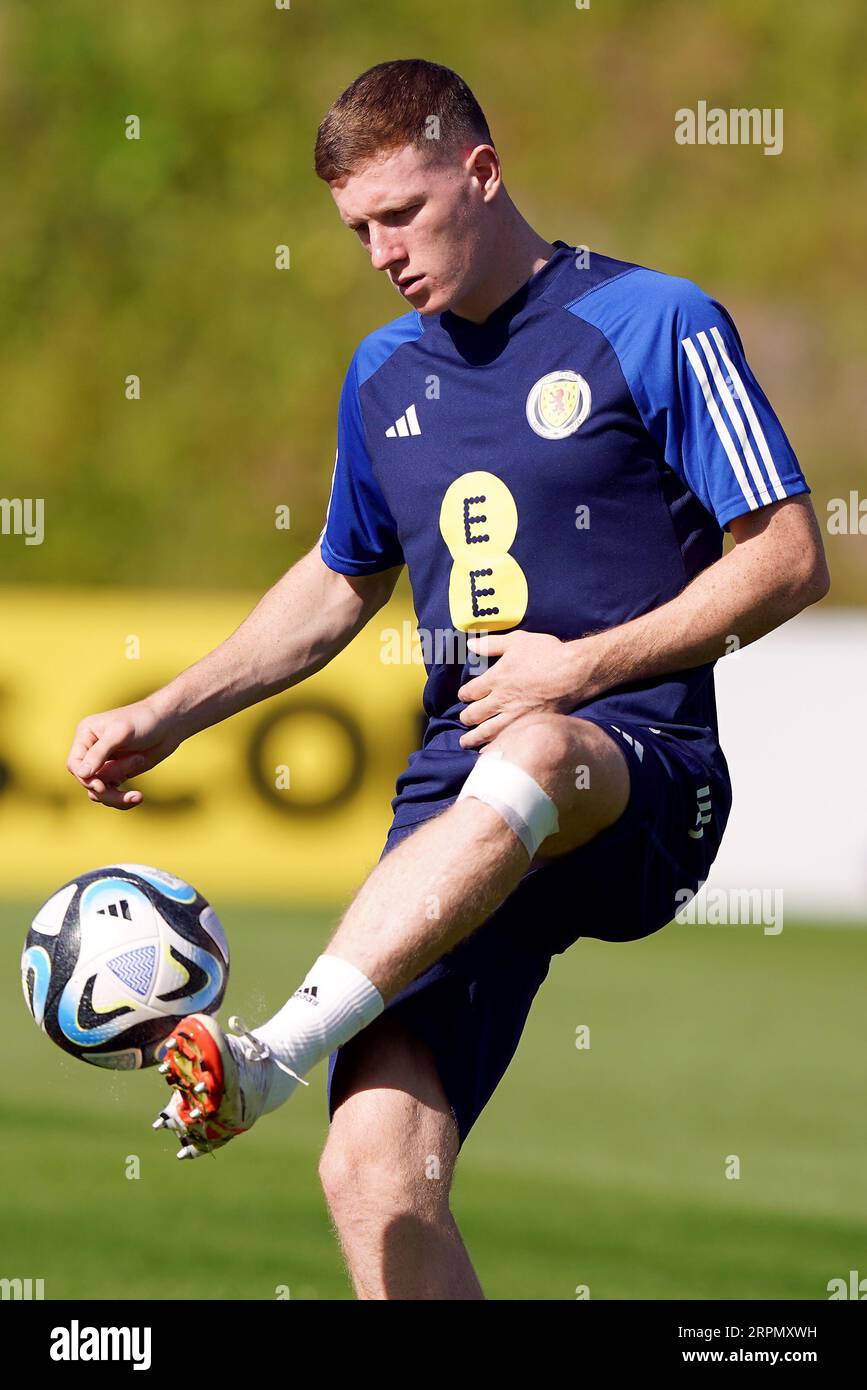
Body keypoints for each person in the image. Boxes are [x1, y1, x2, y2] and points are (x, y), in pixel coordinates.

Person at [66, 59, 829, 1300]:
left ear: (482, 171)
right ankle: (293, 1076)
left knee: (536, 749)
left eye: (401, 214)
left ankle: (269, 1057)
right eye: (357, 228)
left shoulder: (653, 319)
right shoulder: (382, 375)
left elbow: (792, 558)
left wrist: (578, 668)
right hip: (458, 801)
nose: (380, 251)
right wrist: (168, 710)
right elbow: (335, 581)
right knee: (372, 1170)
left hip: (637, 774)